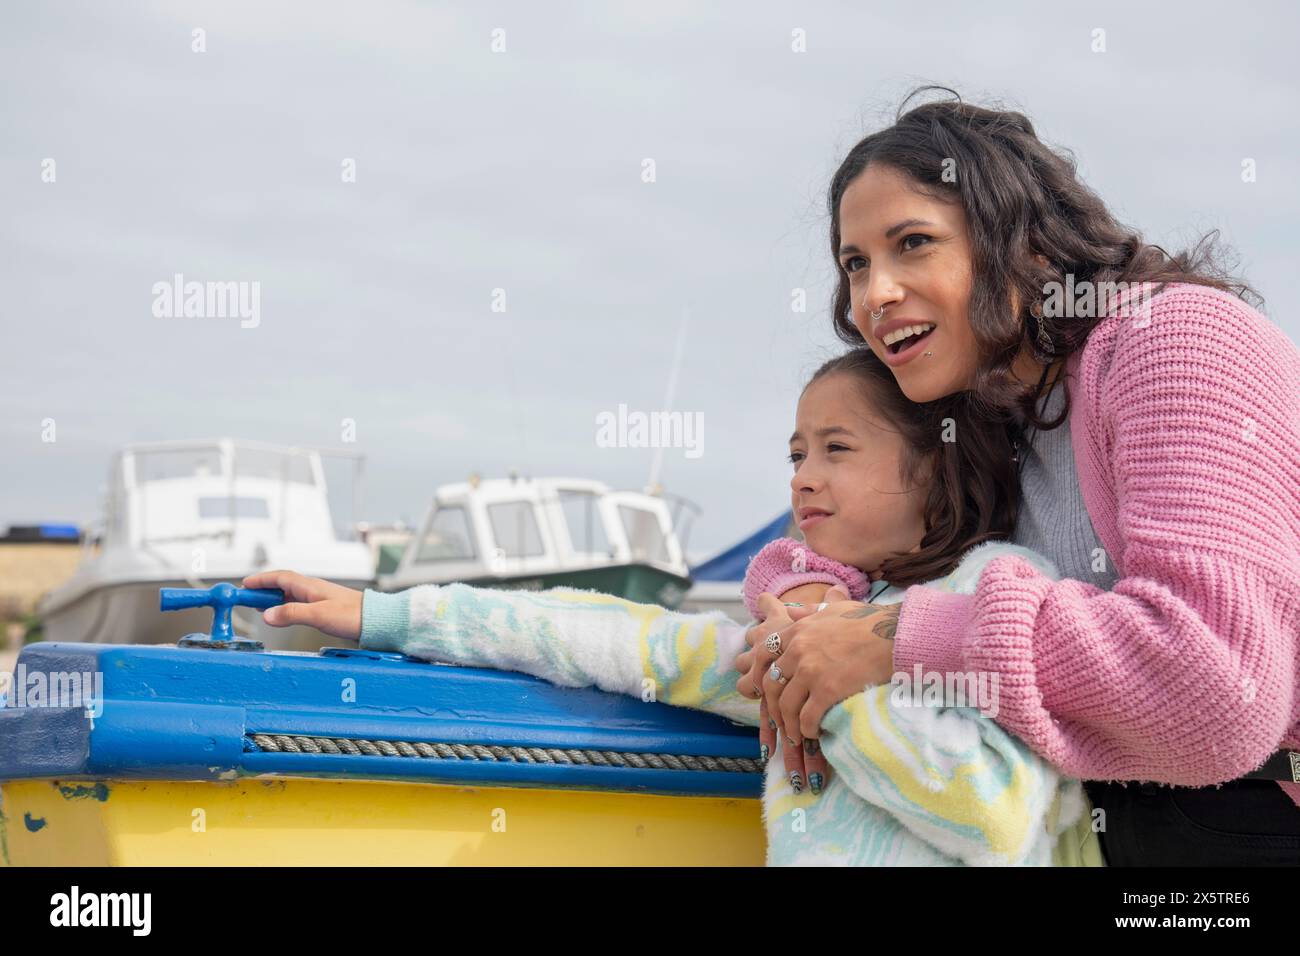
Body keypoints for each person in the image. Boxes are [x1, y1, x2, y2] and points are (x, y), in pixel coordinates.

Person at [245, 347, 1102, 865]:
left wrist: (834, 688)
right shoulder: (790, 634)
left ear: (937, 469)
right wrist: (384, 616)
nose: (803, 474)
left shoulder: (996, 588)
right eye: (797, 452)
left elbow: (990, 811)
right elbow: (612, 637)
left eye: (838, 449)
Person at [740, 88, 1300, 865]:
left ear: (1025, 244)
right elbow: (853, 521)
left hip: (1262, 816)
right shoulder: (979, 410)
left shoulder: (1175, 340)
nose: (876, 295)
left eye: (913, 243)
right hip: (1104, 817)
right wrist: (809, 608)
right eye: (855, 263)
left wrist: (893, 640)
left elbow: (1216, 684)